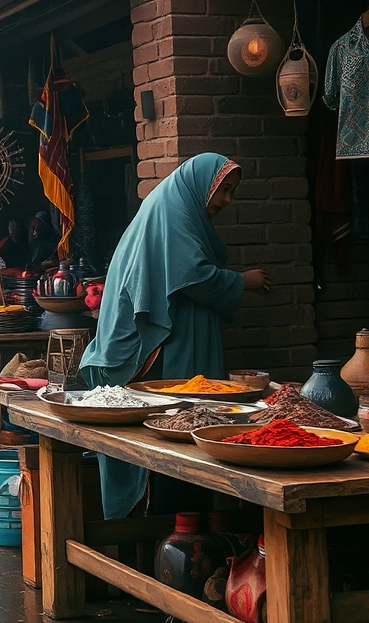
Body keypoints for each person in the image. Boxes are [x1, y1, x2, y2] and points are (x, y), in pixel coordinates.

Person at [80, 153, 272, 519]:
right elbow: (193, 276)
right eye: (223, 190)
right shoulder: (171, 211)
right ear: (201, 185)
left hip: (173, 341)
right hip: (159, 352)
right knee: (172, 430)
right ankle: (170, 527)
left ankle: (182, 524)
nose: (226, 201)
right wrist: (241, 281)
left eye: (232, 191)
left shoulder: (171, 207)